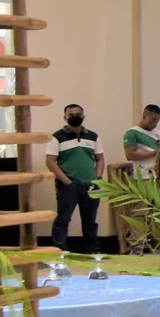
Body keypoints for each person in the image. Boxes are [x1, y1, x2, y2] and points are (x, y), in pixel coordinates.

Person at [46, 102, 104, 253]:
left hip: (90, 185)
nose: (75, 118)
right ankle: (59, 249)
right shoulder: (57, 137)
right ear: (64, 117)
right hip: (68, 185)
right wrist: (67, 181)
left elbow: (100, 159)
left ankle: (93, 250)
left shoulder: (93, 136)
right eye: (71, 115)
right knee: (63, 219)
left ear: (83, 116)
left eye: (78, 115)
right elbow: (50, 162)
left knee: (90, 221)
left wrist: (97, 178)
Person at [123, 104, 160, 179]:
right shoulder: (132, 133)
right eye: (153, 119)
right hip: (143, 177)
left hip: (159, 175)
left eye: (158, 119)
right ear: (144, 116)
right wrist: (156, 152)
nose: (155, 123)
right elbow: (129, 155)